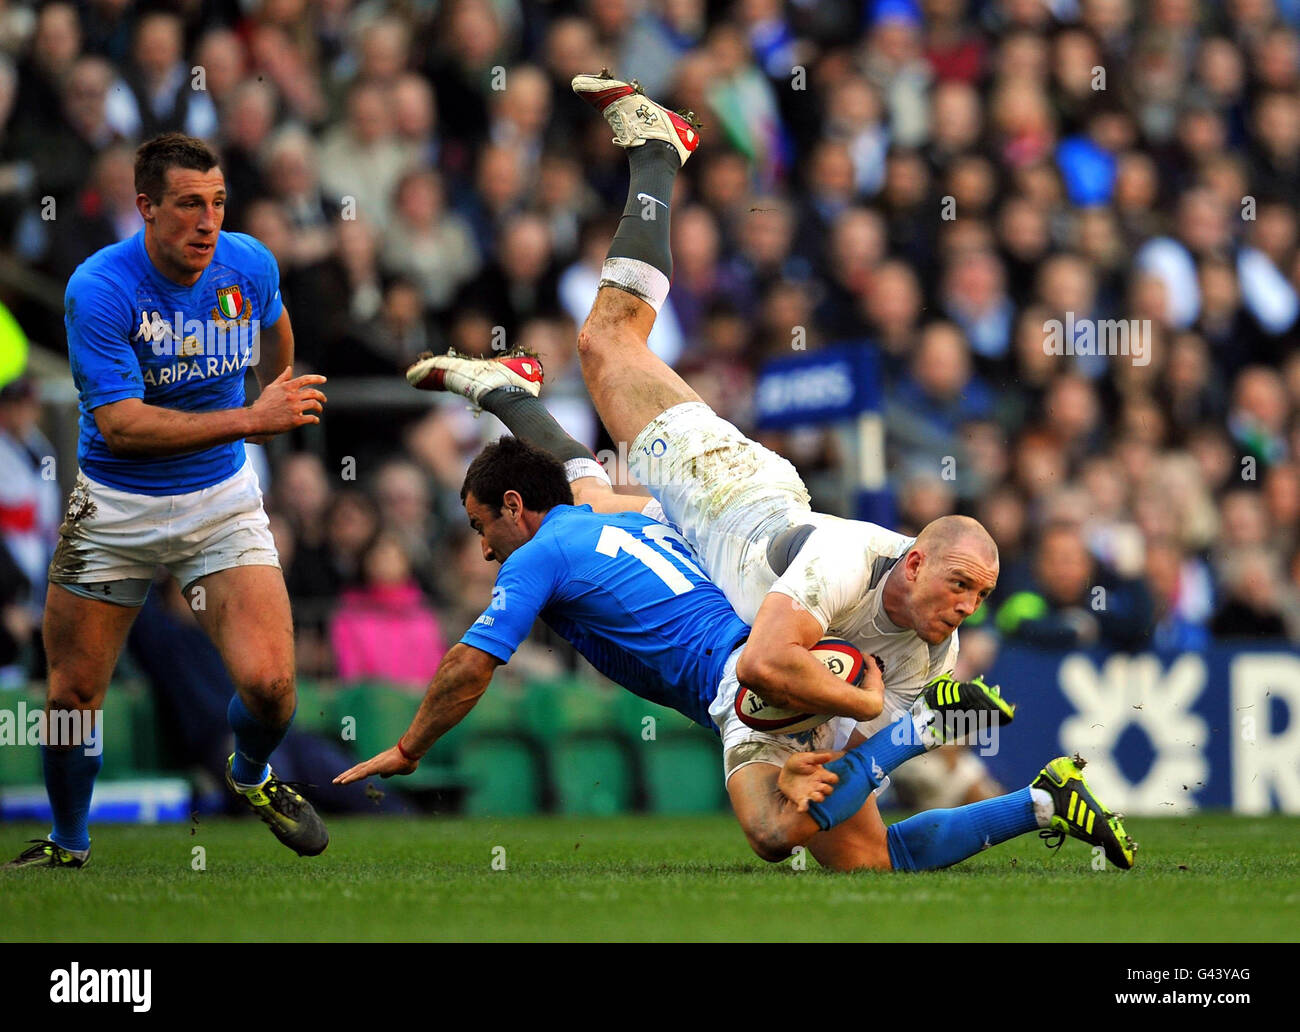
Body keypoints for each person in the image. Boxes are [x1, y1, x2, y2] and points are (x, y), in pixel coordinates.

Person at [406, 71, 1136, 869]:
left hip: (717, 588)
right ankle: (657, 154)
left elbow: (850, 760)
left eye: (981, 597)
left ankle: (1042, 800)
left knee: (859, 861)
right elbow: (768, 666)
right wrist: (871, 717)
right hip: (727, 493)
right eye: (960, 584)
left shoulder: (934, 656)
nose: (967, 607)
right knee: (605, 345)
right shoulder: (845, 563)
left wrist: (834, 759)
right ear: (916, 560)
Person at [334, 435, 1129, 871]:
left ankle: (925, 732)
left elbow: (471, 664)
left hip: (743, 684)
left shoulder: (540, 553)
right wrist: (502, 391)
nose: (483, 549)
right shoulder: (624, 510)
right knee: (876, 866)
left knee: (776, 835)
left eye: (483, 528)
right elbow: (570, 458)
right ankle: (1042, 803)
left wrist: (409, 749)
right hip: (766, 649)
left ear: (517, 508)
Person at [6, 133, 329, 870]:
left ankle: (249, 774)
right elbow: (120, 427)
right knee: (69, 700)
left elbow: (276, 322)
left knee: (273, 687)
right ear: (145, 207)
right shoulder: (100, 287)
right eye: (188, 205)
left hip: (219, 499)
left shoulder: (248, 264)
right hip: (114, 507)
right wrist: (254, 418)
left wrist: (276, 392)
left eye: (217, 203)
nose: (207, 221)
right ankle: (68, 841)